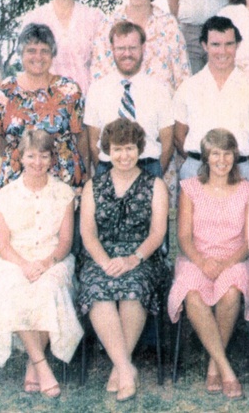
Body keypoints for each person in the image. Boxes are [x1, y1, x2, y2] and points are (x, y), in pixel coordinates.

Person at [0, 130, 83, 399]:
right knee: (14, 290)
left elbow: (66, 242)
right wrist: (24, 265)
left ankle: (32, 361)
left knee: (47, 290)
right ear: (21, 157)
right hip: (13, 260)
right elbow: (3, 246)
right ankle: (40, 364)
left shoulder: (63, 193)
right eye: (31, 156)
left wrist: (46, 263)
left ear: (52, 159)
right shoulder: (6, 195)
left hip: (53, 259)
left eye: (44, 156)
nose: (37, 162)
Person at [77, 119, 170, 402]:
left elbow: (157, 234)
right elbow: (87, 234)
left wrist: (133, 259)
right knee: (97, 291)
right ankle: (126, 369)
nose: (124, 155)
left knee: (134, 290)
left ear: (139, 149)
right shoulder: (94, 185)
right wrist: (105, 263)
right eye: (118, 149)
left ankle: (120, 367)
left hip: (142, 257)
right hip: (100, 257)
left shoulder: (155, 185)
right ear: (107, 150)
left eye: (130, 148)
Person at [167, 129, 249, 400]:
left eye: (227, 153)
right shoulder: (190, 188)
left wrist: (226, 263)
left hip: (234, 259)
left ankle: (214, 364)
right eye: (215, 153)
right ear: (205, 156)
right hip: (197, 257)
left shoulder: (247, 190)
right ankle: (225, 368)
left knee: (230, 291)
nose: (222, 159)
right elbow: (183, 237)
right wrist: (203, 261)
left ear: (235, 157)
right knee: (191, 292)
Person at [0, 23, 86, 190]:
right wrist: (18, 157)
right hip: (18, 181)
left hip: (64, 180)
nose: (38, 56)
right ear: (21, 53)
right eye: (31, 50)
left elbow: (80, 135)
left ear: (52, 54)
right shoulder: (5, 91)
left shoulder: (69, 90)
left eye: (44, 51)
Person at [173, 16, 249, 181]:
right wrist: (204, 164)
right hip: (196, 171)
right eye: (215, 44)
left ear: (237, 45)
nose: (223, 51)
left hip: (238, 171)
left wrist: (239, 167)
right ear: (204, 46)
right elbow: (178, 135)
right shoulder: (188, 87)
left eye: (229, 44)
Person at [85, 21, 174, 178]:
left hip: (148, 168)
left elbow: (167, 143)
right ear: (112, 49)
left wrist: (155, 176)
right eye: (121, 48)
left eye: (133, 48)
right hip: (107, 168)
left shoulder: (159, 90)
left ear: (143, 48)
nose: (127, 54)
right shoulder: (97, 90)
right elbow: (93, 142)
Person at [91, 0, 191, 91]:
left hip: (161, 103)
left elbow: (182, 72)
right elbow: (99, 71)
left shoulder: (168, 24)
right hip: (120, 104)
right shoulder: (109, 25)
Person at [22, 0, 104, 94]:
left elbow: (102, 64)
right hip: (45, 99)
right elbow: (28, 63)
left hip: (86, 98)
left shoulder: (94, 18)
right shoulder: (35, 18)